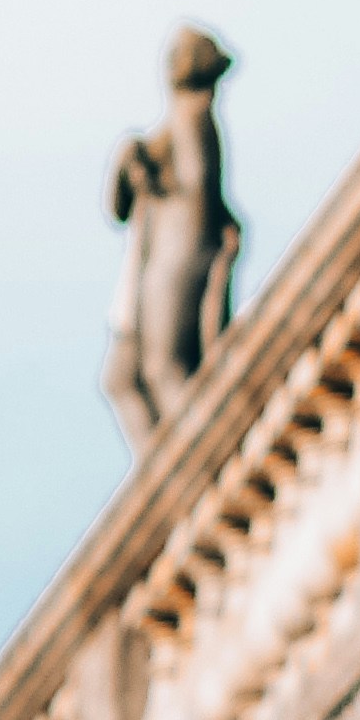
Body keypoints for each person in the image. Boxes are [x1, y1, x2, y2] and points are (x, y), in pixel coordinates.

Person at [106, 28, 244, 453]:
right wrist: (133, 163)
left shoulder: (192, 116)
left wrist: (156, 180)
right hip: (155, 258)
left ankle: (195, 456)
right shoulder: (177, 122)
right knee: (121, 378)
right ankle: (160, 458)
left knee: (164, 368)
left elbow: (198, 190)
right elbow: (118, 206)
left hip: (178, 254)